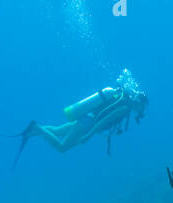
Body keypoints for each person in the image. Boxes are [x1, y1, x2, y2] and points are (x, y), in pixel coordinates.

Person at [13, 69, 147, 165]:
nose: (141, 110)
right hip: (88, 124)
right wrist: (89, 135)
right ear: (137, 102)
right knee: (62, 147)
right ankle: (37, 128)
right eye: (142, 107)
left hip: (87, 117)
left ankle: (31, 133)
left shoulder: (120, 98)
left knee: (57, 131)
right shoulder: (124, 108)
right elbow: (104, 121)